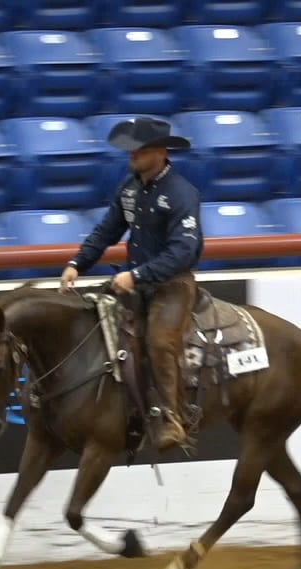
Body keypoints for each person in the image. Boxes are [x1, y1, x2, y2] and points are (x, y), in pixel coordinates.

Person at [59, 117, 203, 452]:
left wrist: (136, 275)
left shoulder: (182, 193)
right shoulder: (130, 189)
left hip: (172, 286)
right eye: (131, 150)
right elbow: (108, 229)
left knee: (160, 340)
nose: (131, 156)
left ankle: (171, 417)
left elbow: (184, 250)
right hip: (136, 283)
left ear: (160, 152)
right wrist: (77, 263)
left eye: (138, 150)